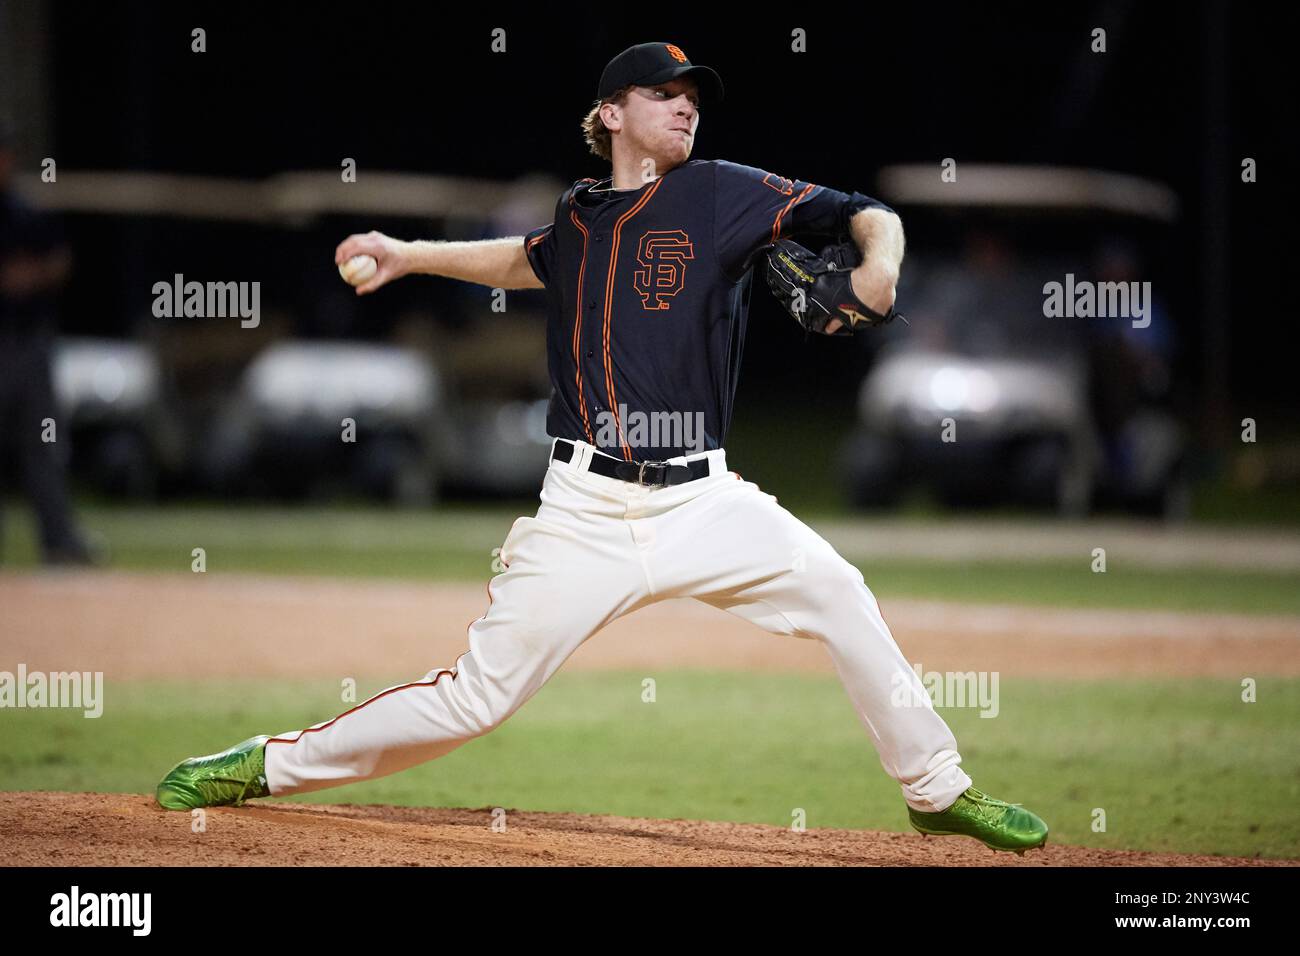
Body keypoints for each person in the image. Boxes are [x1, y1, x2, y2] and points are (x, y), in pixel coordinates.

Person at [156, 43, 1049, 854]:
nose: (686, 106)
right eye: (663, 94)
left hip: (705, 502)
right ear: (610, 115)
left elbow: (869, 214)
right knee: (476, 699)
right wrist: (409, 253)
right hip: (582, 509)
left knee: (839, 593)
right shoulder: (579, 218)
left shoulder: (719, 192)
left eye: (693, 97)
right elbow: (527, 259)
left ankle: (936, 790)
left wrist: (879, 267)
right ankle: (264, 765)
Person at [0, 118, 99, 566]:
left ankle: (59, 541)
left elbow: (61, 261)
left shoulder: (25, 212)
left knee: (44, 445)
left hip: (29, 344)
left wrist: (33, 275)